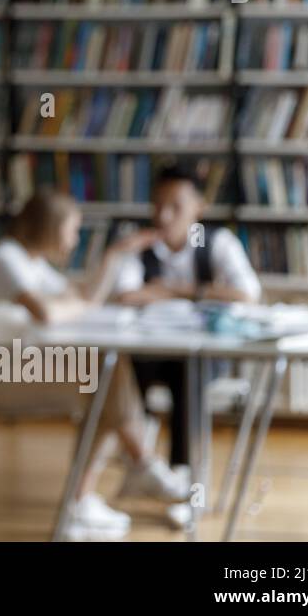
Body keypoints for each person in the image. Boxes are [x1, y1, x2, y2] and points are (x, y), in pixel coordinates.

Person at [0, 188, 190, 539]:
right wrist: (79, 305)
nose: (75, 239)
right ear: (50, 227)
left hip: (5, 363)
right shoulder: (5, 259)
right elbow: (47, 312)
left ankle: (87, 499)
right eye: (72, 229)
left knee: (106, 377)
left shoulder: (30, 262)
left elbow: (82, 296)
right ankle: (130, 470)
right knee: (104, 379)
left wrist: (113, 256)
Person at [111, 164, 262, 474]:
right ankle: (141, 462)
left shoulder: (218, 242)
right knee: (113, 371)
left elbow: (247, 294)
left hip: (203, 357)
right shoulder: (139, 244)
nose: (164, 216)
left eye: (175, 207)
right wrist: (207, 293)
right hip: (149, 352)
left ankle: (182, 474)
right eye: (158, 205)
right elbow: (126, 295)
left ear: (198, 207)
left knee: (187, 372)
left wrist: (171, 289)